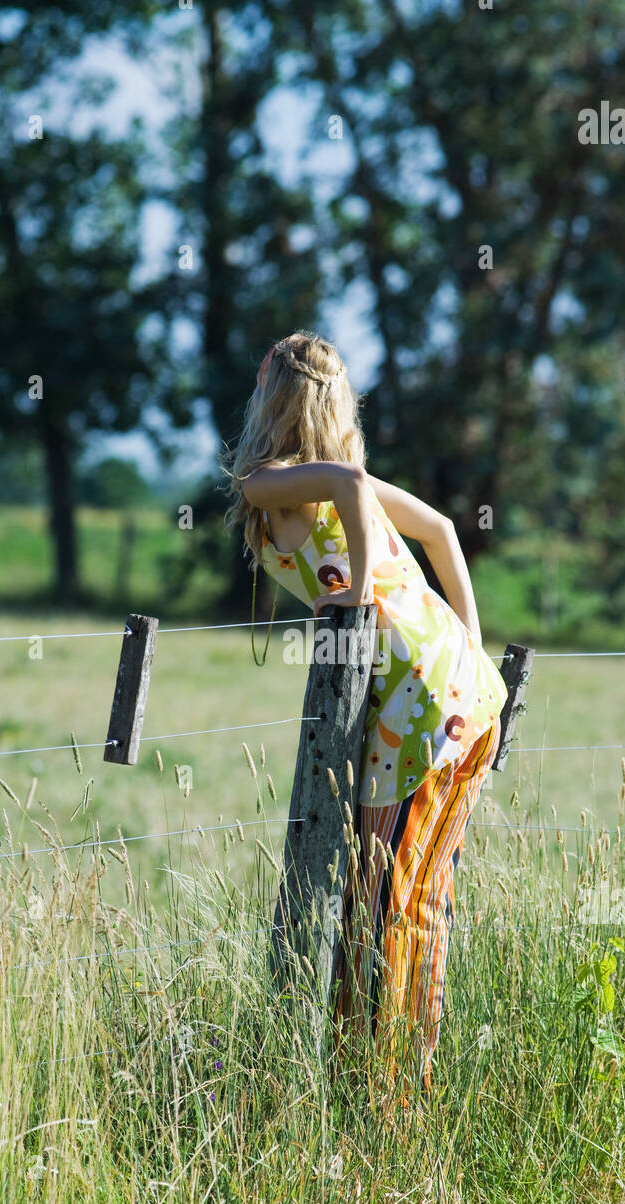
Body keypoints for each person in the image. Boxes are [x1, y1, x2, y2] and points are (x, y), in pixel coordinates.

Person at [225, 331, 508, 1099]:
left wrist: (351, 599)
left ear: (267, 391)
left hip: (410, 711)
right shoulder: (320, 481)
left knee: (379, 900)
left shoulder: (265, 482)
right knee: (417, 897)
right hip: (463, 691)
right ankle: (395, 1085)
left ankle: (376, 1093)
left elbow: (349, 481)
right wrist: (469, 651)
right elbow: (443, 532)